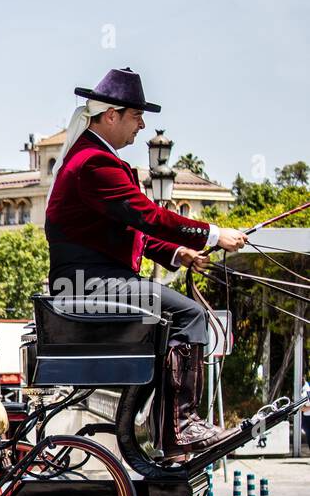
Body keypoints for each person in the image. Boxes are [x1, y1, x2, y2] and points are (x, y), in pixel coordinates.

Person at [45, 67, 248, 458]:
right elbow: (147, 216)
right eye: (136, 116)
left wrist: (179, 253)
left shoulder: (93, 158)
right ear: (111, 115)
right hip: (89, 285)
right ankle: (179, 427)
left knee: (172, 312)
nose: (141, 126)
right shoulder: (93, 163)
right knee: (188, 315)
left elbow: (132, 231)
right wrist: (212, 234)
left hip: (91, 282)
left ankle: (163, 425)